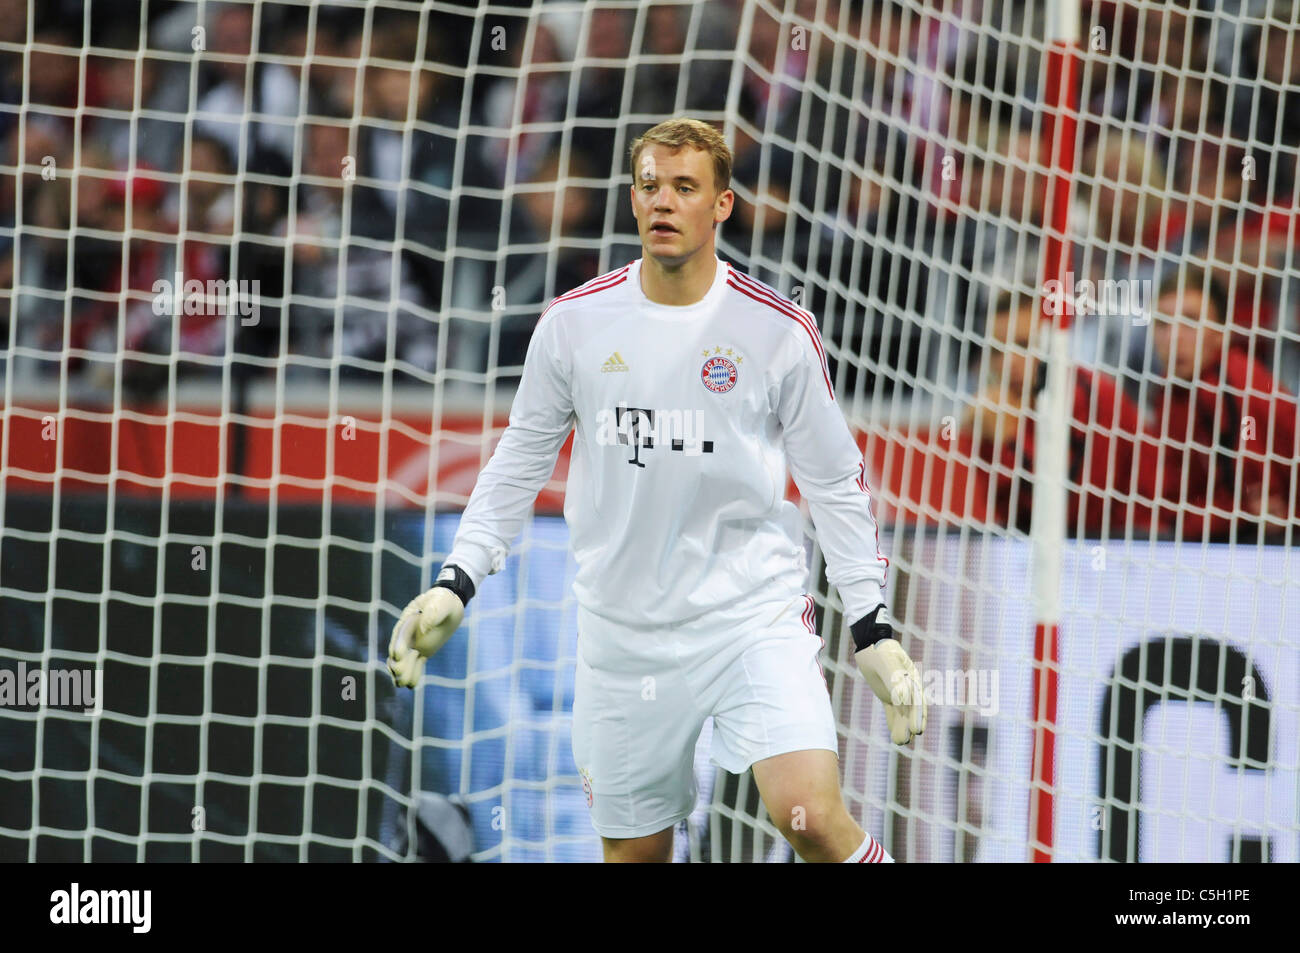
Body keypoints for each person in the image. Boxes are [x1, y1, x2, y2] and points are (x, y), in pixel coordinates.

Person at [388, 117, 926, 863]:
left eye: (684, 187)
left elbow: (835, 481)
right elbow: (518, 461)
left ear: (723, 204)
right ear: (633, 199)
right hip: (623, 635)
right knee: (636, 855)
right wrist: (459, 577)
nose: (664, 202)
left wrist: (871, 621)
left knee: (808, 816)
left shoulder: (776, 331)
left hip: (751, 619)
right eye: (650, 186)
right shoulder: (574, 325)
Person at [962, 291, 1154, 537]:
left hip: (1132, 546)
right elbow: (1011, 516)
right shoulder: (997, 410)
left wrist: (1010, 441)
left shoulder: (1097, 399)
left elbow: (1078, 513)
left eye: (1023, 345)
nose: (1009, 362)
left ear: (1053, 343)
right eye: (998, 351)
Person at [1149, 267, 1299, 541]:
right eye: (1162, 323)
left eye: (1190, 320)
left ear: (1221, 332)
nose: (1172, 337)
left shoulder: (1241, 388)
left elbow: (1263, 507)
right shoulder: (1170, 392)